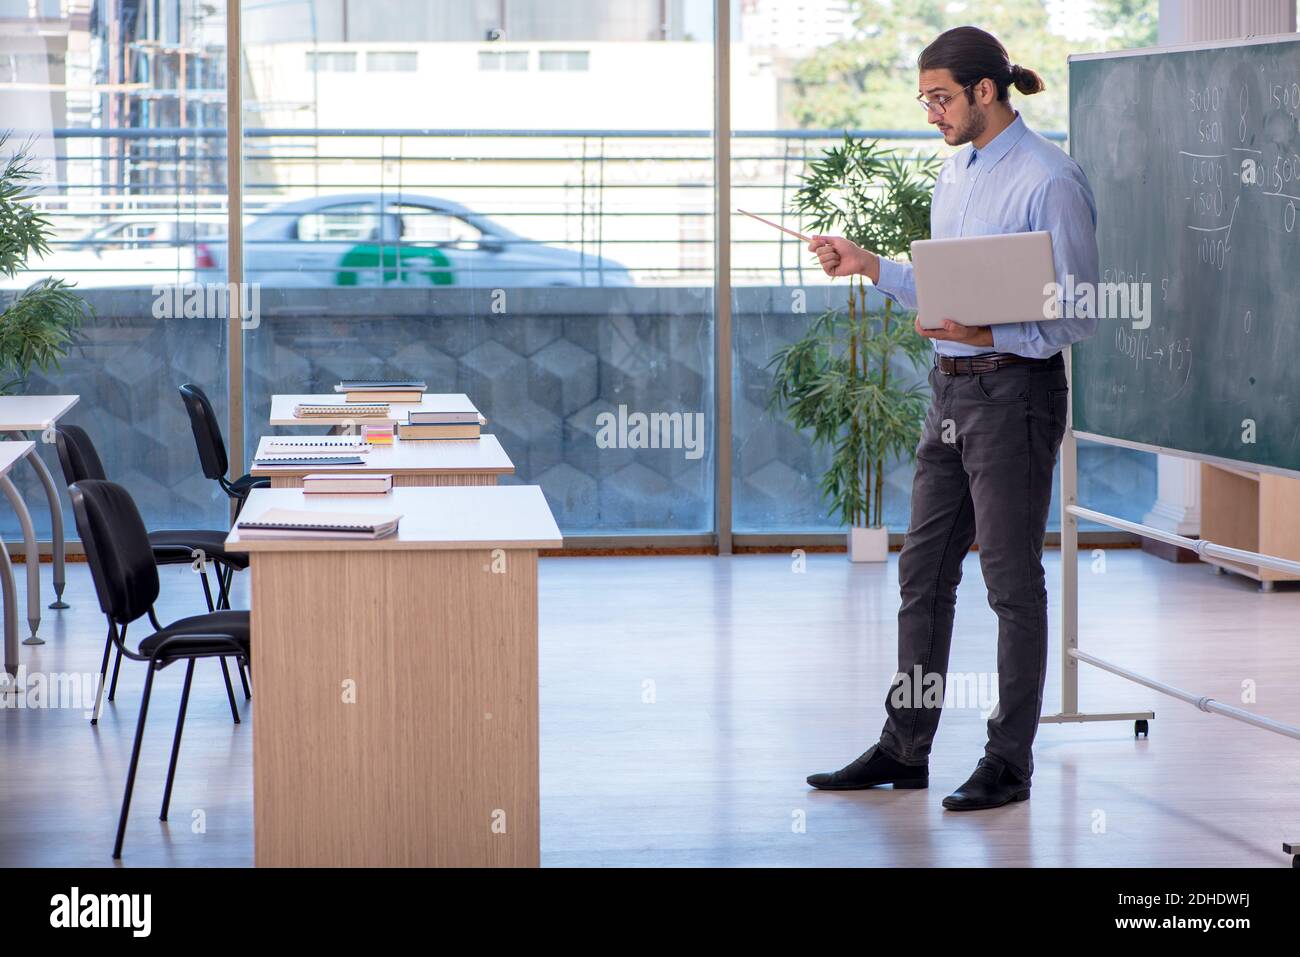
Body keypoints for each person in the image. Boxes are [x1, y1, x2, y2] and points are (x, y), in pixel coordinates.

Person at [805, 25, 1100, 810]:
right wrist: (872, 266)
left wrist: (989, 333)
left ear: (984, 91)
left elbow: (1078, 310)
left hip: (1017, 394)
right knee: (923, 572)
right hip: (951, 392)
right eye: (924, 99)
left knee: (1010, 581)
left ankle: (1009, 760)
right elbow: (947, 284)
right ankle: (906, 745)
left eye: (940, 97)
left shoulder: (1049, 178)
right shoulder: (956, 176)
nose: (931, 112)